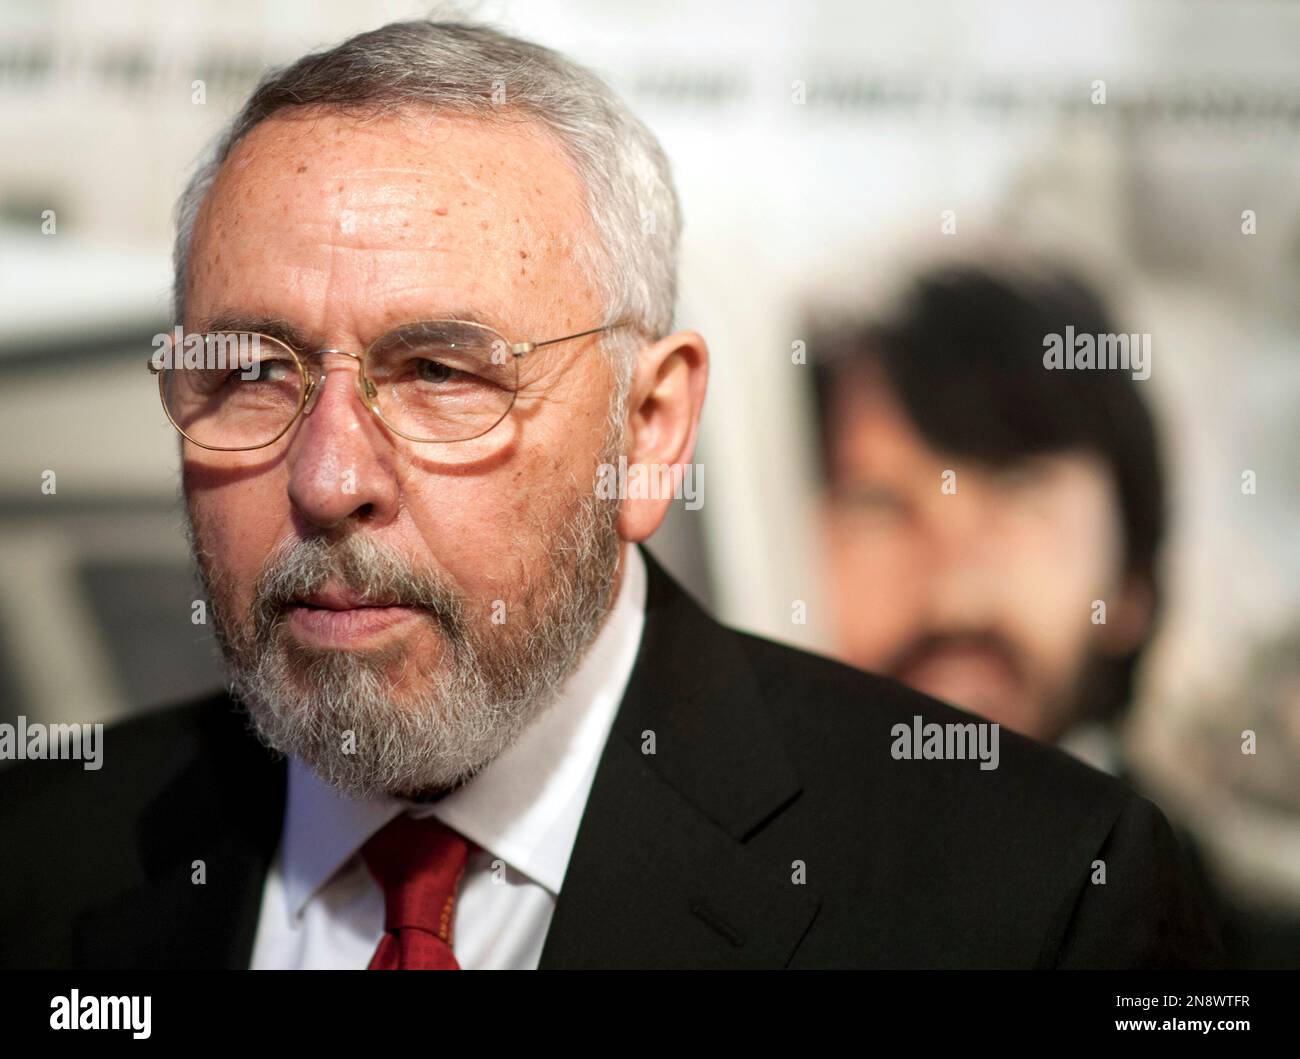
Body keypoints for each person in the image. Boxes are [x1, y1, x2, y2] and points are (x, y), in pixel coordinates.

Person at [0, 21, 1221, 970]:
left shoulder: (1032, 895)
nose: (329, 478)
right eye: (251, 373)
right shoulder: (37, 857)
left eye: (439, 375)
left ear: (648, 430)